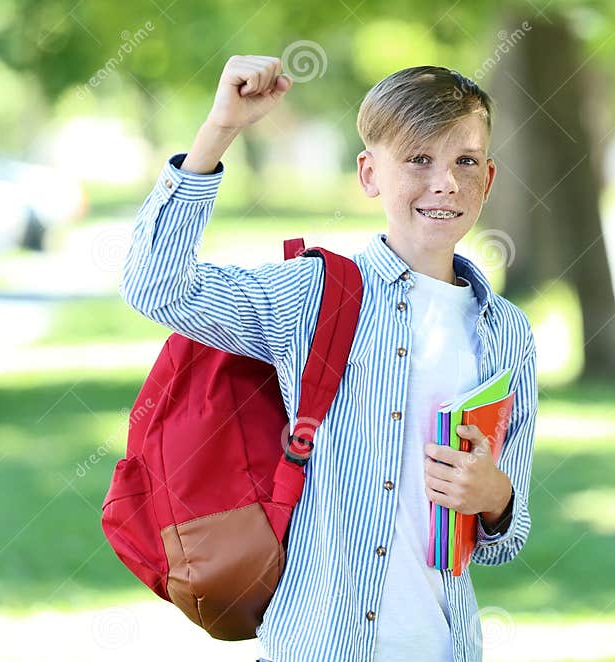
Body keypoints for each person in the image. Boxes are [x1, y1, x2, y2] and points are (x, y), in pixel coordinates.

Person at [120, 55, 537, 662]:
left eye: (464, 161)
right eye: (418, 159)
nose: (444, 181)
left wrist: (493, 496)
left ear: (489, 178)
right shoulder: (315, 296)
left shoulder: (506, 333)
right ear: (369, 173)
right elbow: (157, 286)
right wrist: (219, 130)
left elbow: (505, 537)